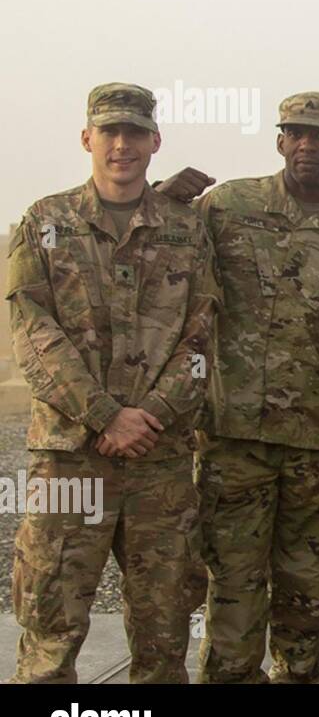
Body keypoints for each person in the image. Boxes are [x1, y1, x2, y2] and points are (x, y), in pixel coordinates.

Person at [156, 91, 319, 683]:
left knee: (307, 585)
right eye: (296, 133)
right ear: (279, 141)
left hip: (317, 444)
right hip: (233, 437)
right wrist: (159, 198)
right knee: (234, 583)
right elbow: (157, 250)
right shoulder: (227, 206)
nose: (308, 145)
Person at [7, 82, 219, 683]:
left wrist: (149, 412)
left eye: (134, 133)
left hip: (161, 457)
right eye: (109, 132)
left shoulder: (187, 229)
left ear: (155, 141)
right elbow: (35, 335)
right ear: (86, 139)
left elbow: (201, 335)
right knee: (50, 626)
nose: (121, 145)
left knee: (165, 631)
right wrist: (106, 416)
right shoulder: (44, 223)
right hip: (72, 459)